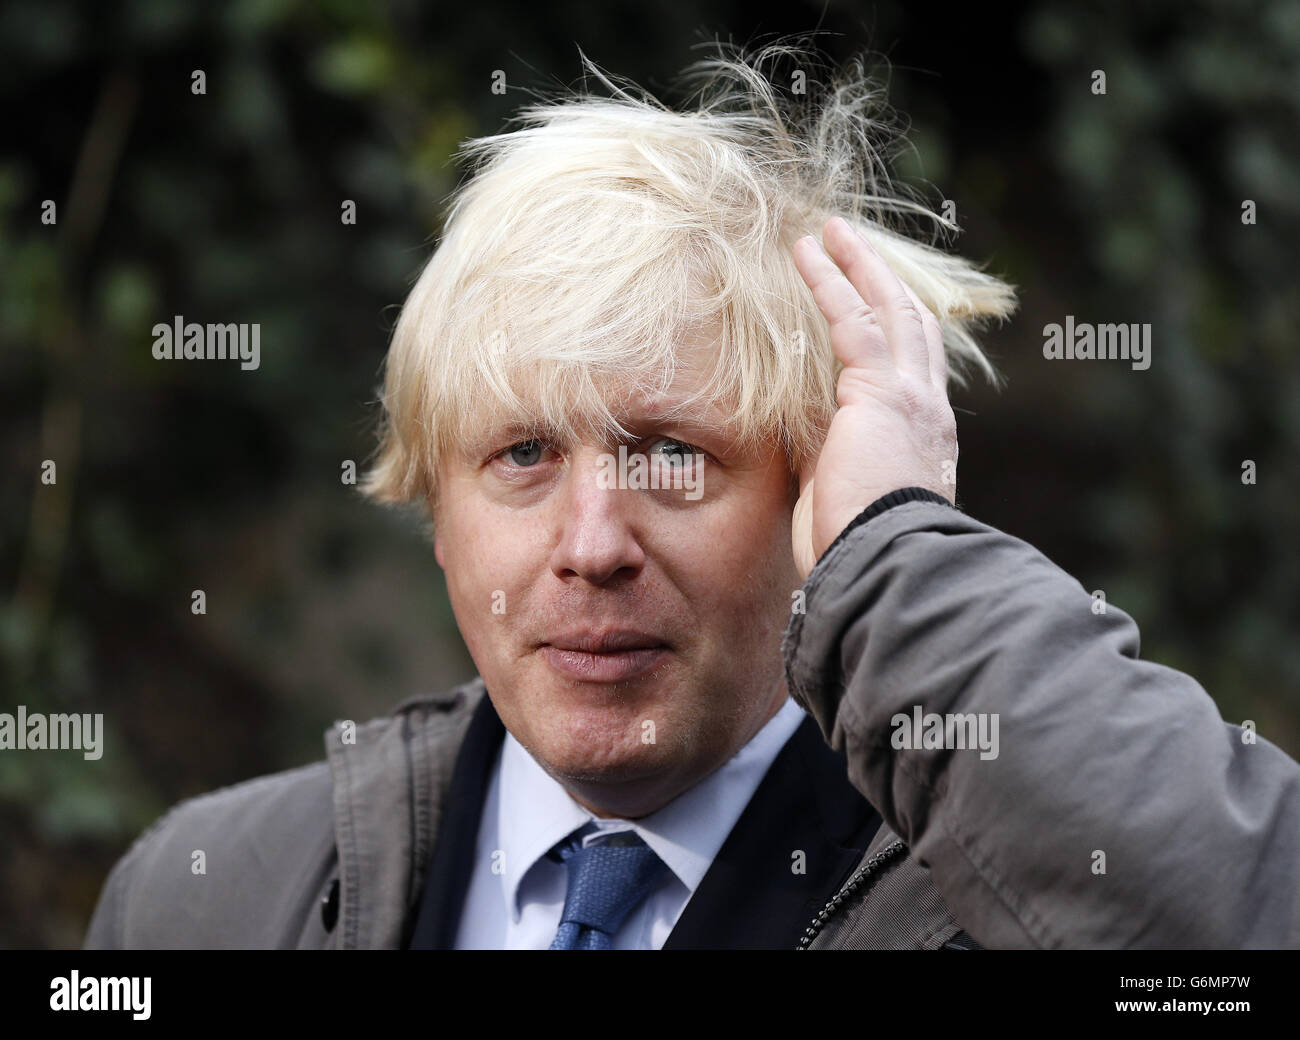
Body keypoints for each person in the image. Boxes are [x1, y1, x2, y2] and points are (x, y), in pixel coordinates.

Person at [84, 43, 1300, 951]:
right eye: (520, 455)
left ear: (817, 488)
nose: (592, 544)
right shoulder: (207, 894)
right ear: (431, 502)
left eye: (672, 454)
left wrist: (904, 564)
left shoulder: (1002, 898)